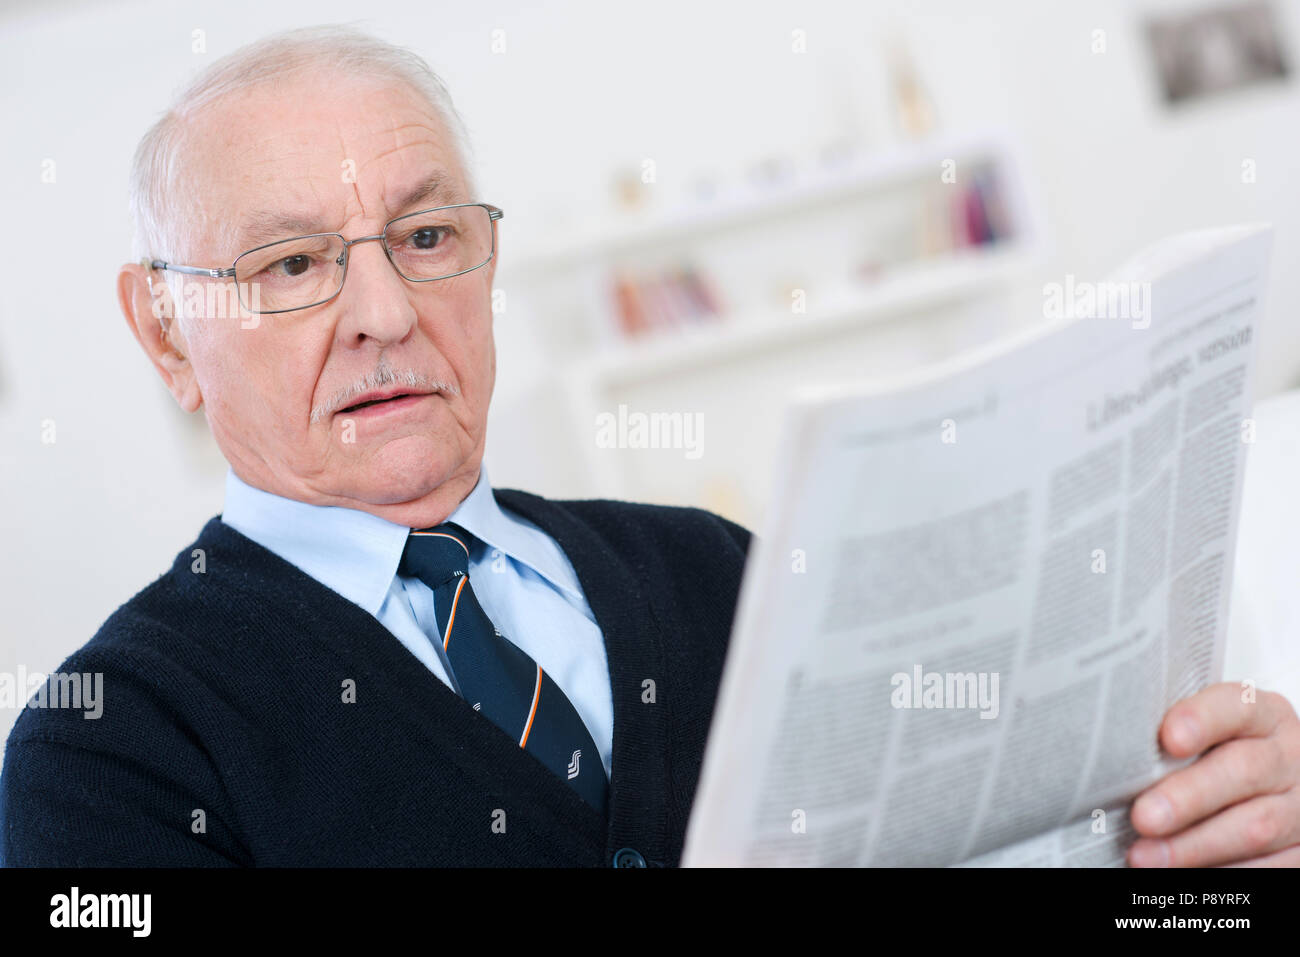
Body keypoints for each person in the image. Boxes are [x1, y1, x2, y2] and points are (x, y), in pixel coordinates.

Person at [2, 25, 1297, 868]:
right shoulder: (108, 747)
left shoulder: (732, 572)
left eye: (430, 238)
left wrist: (1210, 853)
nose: (387, 313)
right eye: (292, 264)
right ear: (167, 332)